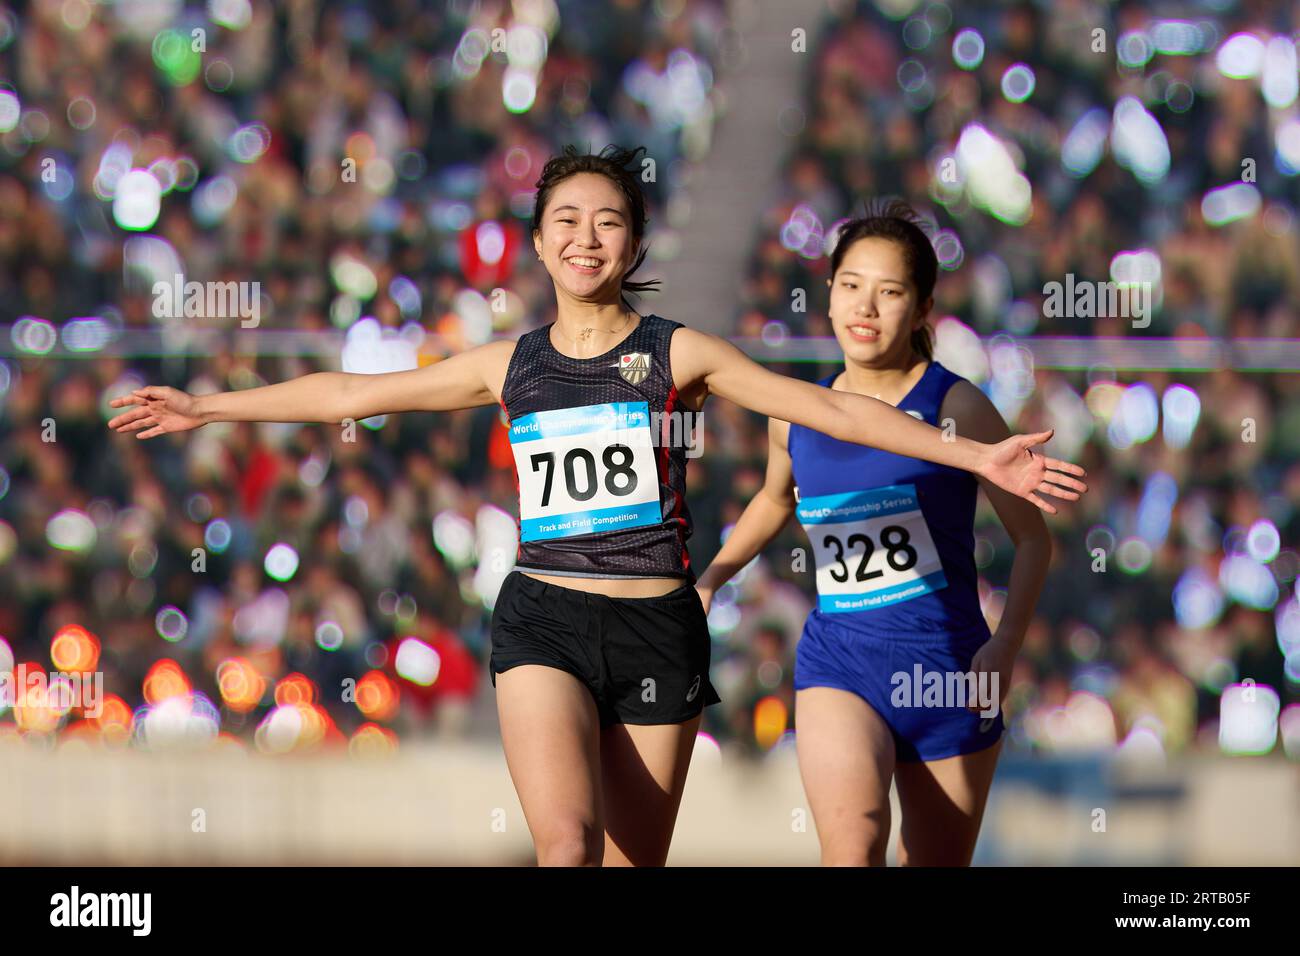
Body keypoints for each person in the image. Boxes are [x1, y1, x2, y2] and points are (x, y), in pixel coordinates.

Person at [108, 147, 1085, 866]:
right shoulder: (509, 363)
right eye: (565, 219)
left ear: (633, 244)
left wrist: (972, 450)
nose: (585, 237)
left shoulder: (679, 353)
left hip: (658, 630)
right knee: (566, 845)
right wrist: (208, 402)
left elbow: (830, 407)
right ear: (537, 242)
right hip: (546, 615)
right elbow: (350, 395)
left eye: (607, 220)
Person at [694, 200, 1068, 865]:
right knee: (854, 844)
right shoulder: (796, 413)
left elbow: (1035, 540)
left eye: (889, 292)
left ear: (922, 308)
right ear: (830, 297)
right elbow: (774, 501)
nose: (865, 308)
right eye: (850, 287)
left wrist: (1006, 646)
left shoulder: (956, 407)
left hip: (951, 674)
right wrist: (711, 580)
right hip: (842, 662)